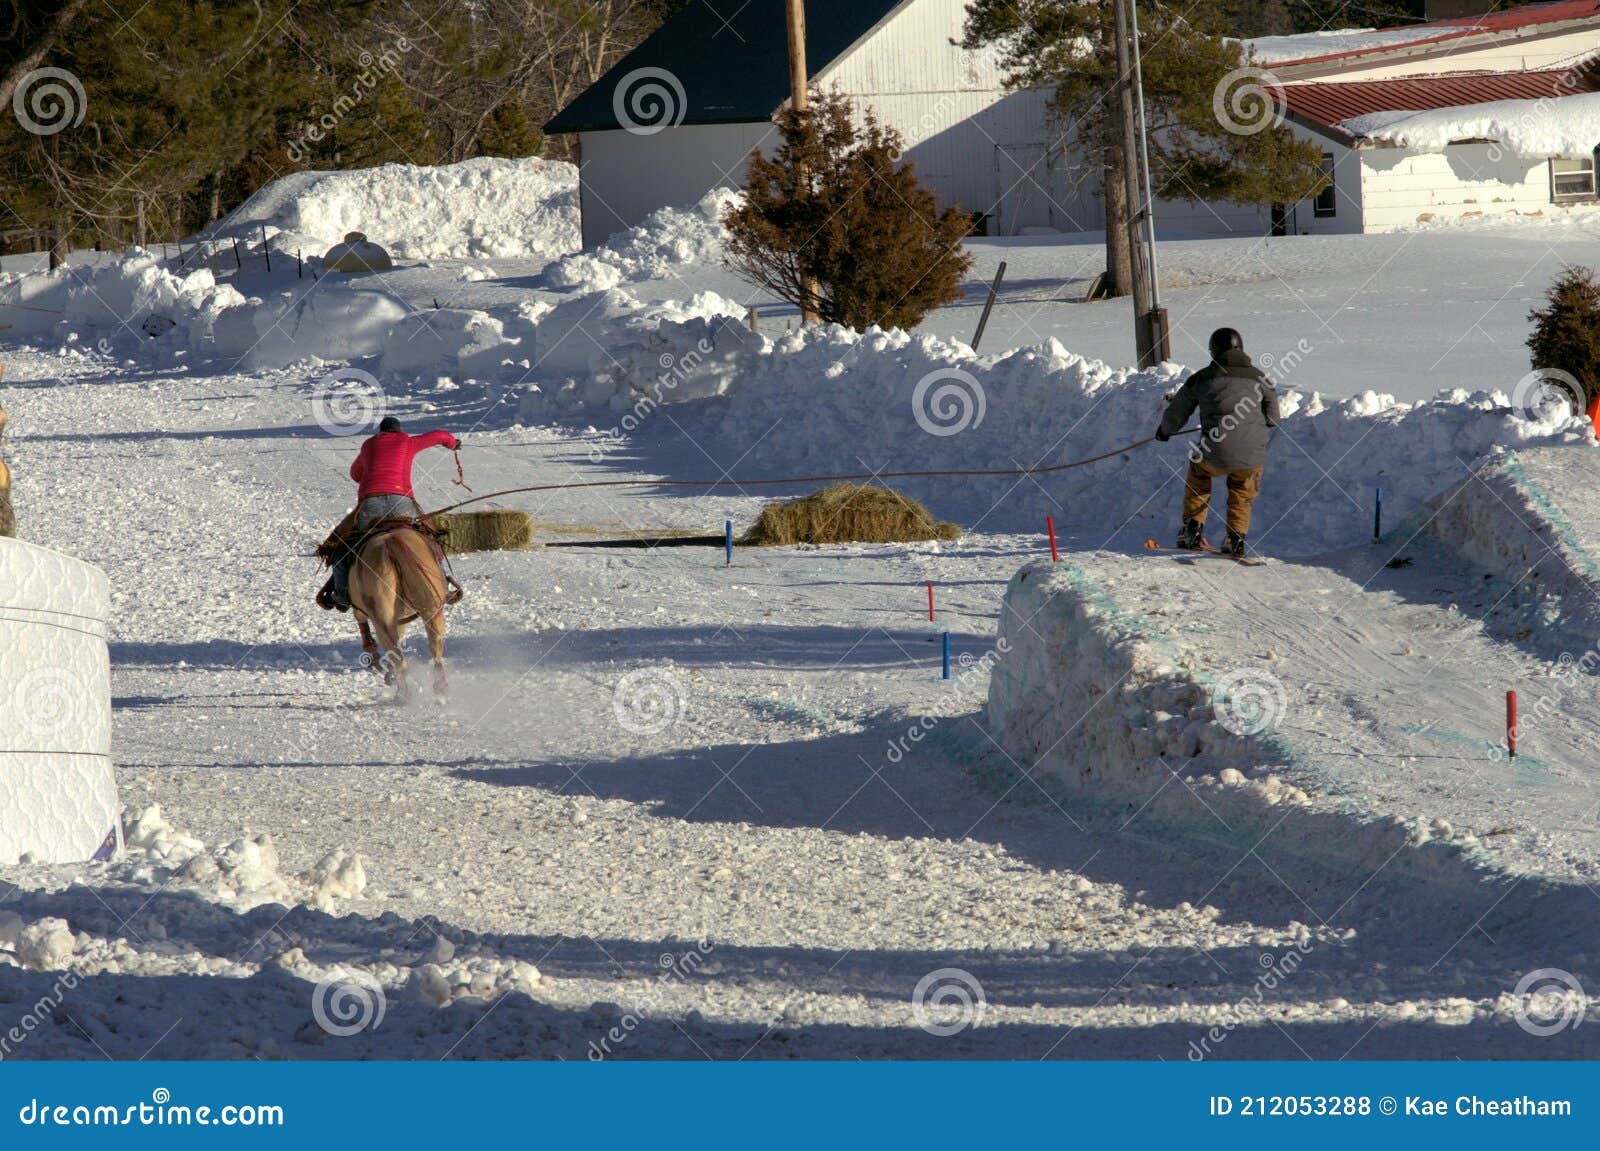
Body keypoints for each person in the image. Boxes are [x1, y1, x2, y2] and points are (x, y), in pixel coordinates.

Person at [1156, 328, 1279, 557]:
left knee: (1199, 475)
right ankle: (1236, 538)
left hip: (1214, 449)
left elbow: (1178, 412)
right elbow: (1273, 419)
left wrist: (1164, 431)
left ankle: (1192, 529)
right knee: (1242, 490)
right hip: (1251, 456)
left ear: (1214, 351)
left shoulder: (1202, 378)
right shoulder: (1261, 378)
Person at [317, 416, 463, 611]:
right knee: (430, 540)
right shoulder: (408, 442)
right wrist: (453, 444)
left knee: (347, 545)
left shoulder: (368, 445)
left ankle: (342, 595)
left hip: (371, 504)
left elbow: (354, 473)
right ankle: (442, 588)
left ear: (380, 432)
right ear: (399, 430)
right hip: (401, 502)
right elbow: (439, 436)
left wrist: (371, 476)